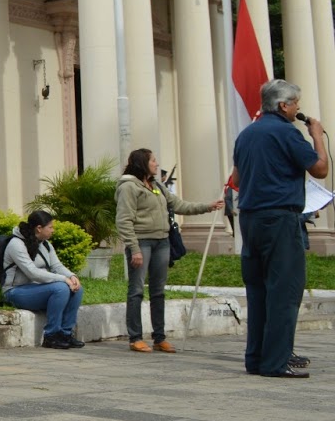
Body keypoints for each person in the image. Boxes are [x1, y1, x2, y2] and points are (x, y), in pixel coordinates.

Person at [231, 79, 329, 378]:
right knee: (284, 291)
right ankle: (276, 362)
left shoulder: (246, 135)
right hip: (280, 219)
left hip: (250, 219)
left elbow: (235, 179)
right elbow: (320, 169)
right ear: (283, 105)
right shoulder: (287, 132)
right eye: (296, 102)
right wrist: (317, 136)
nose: (298, 107)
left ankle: (257, 358)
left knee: (259, 289)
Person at [115, 148, 223, 353]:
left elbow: (179, 205)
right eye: (153, 160)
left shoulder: (157, 186)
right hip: (142, 243)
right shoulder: (128, 187)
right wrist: (134, 248)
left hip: (162, 242)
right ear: (142, 163)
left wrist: (207, 207)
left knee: (158, 291)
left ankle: (159, 337)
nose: (157, 164)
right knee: (136, 290)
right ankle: (135, 337)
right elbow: (123, 220)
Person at [0, 209, 85, 349]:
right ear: (39, 228)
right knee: (61, 288)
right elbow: (32, 272)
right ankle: (51, 336)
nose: (53, 230)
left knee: (77, 289)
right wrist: (64, 279)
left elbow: (57, 265)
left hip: (37, 289)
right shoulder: (17, 244)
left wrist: (72, 276)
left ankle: (65, 334)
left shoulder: (45, 243)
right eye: (50, 227)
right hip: (14, 291)